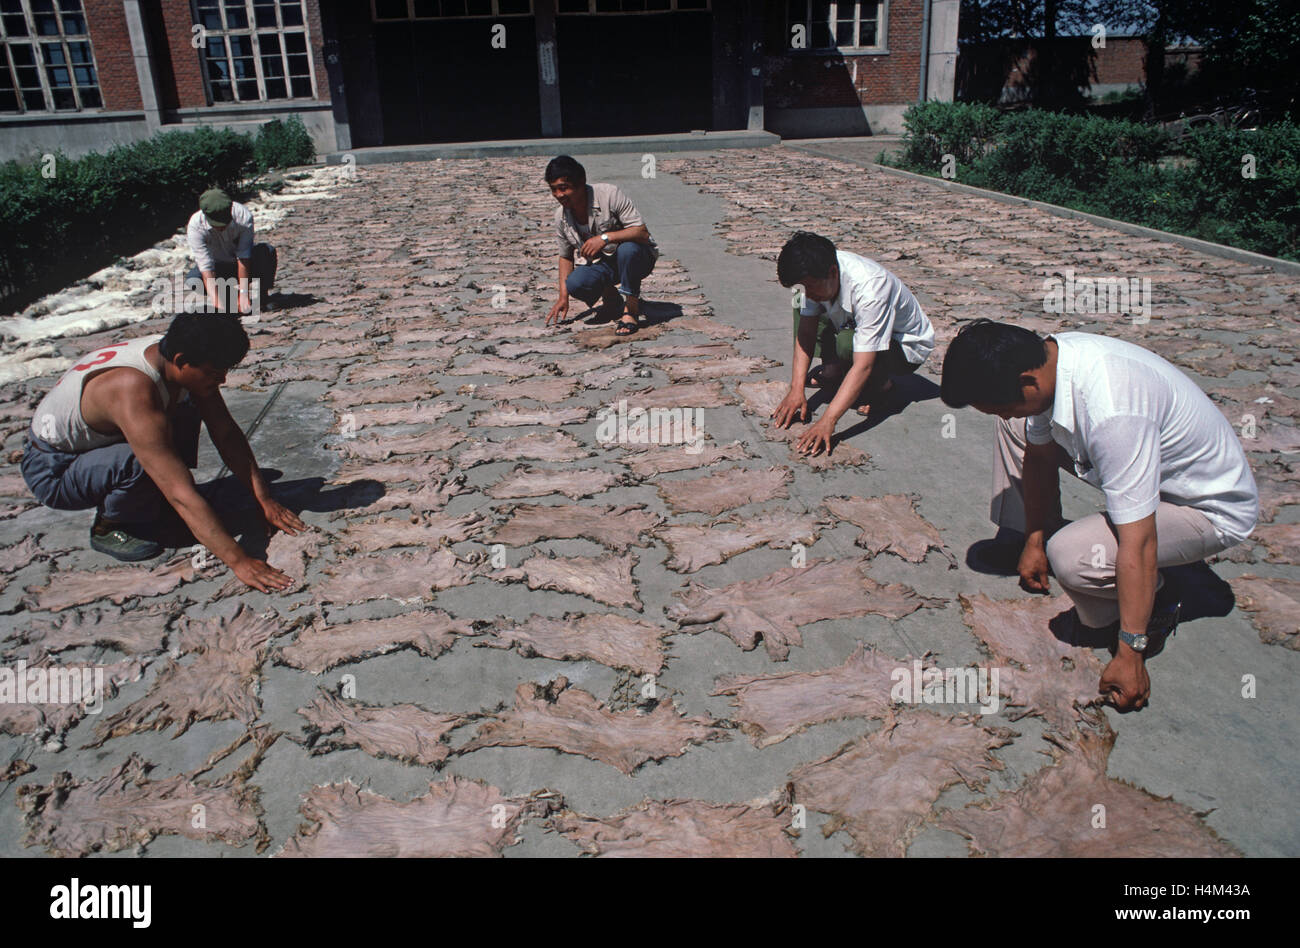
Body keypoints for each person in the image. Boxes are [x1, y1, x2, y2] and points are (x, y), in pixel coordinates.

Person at [940, 319, 1259, 712]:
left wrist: (1131, 654)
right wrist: (1034, 539)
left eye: (1004, 406)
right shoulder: (1053, 359)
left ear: (1028, 382)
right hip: (1157, 479)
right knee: (1017, 433)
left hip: (1207, 510)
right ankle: (1036, 541)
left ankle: (1152, 604)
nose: (1004, 414)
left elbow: (1139, 542)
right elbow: (1038, 457)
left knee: (1071, 557)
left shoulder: (1113, 410)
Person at [21, 313, 304, 593]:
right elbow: (179, 492)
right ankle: (109, 525)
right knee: (139, 463)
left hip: (94, 449)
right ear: (181, 361)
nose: (223, 380)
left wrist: (264, 498)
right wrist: (240, 561)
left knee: (192, 403)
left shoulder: (176, 354)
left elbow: (225, 432)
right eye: (215, 372)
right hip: (54, 470)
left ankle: (146, 500)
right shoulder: (132, 387)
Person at [773, 231, 935, 456]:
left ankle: (883, 387)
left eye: (811, 287)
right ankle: (835, 369)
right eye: (802, 287)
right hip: (851, 323)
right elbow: (806, 331)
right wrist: (796, 389)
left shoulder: (871, 289)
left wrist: (828, 420)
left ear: (832, 272)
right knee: (800, 305)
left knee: (849, 344)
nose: (807, 293)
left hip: (904, 349)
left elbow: (863, 365)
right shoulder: (813, 280)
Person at [544, 155, 659, 336]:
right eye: (554, 190)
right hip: (604, 264)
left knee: (627, 250)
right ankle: (611, 299)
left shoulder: (609, 194)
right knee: (576, 283)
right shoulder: (561, 216)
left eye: (563, 188)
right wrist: (563, 297)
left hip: (638, 257)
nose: (559, 195)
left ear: (581, 182)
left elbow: (641, 232)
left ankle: (631, 309)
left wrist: (605, 238)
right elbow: (565, 256)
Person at [185, 187, 277, 315]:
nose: (221, 227)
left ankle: (262, 296)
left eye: (224, 223)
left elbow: (244, 256)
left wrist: (244, 294)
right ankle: (227, 298)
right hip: (219, 268)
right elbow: (206, 267)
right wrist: (218, 307)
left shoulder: (243, 216)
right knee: (193, 279)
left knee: (266, 251)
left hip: (245, 264)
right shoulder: (195, 226)